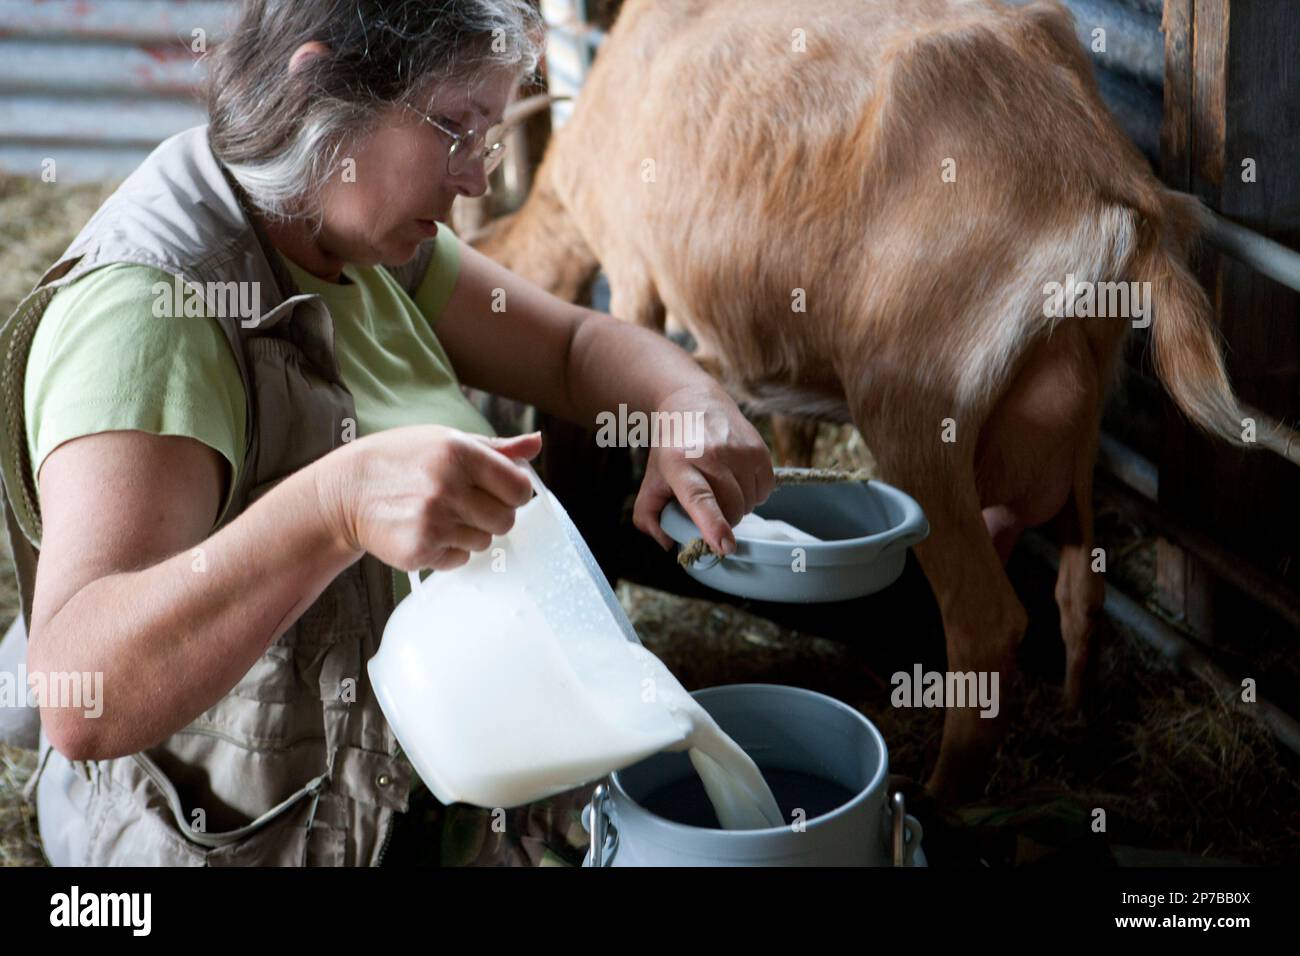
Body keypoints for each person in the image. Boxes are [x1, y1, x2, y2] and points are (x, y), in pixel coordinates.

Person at [0, 0, 774, 866]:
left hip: (436, 771)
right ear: (319, 86)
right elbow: (81, 695)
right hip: (273, 837)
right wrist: (336, 506)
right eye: (454, 126)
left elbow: (572, 346)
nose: (478, 178)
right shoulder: (153, 311)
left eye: (487, 134)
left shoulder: (344, 224)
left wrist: (681, 396)